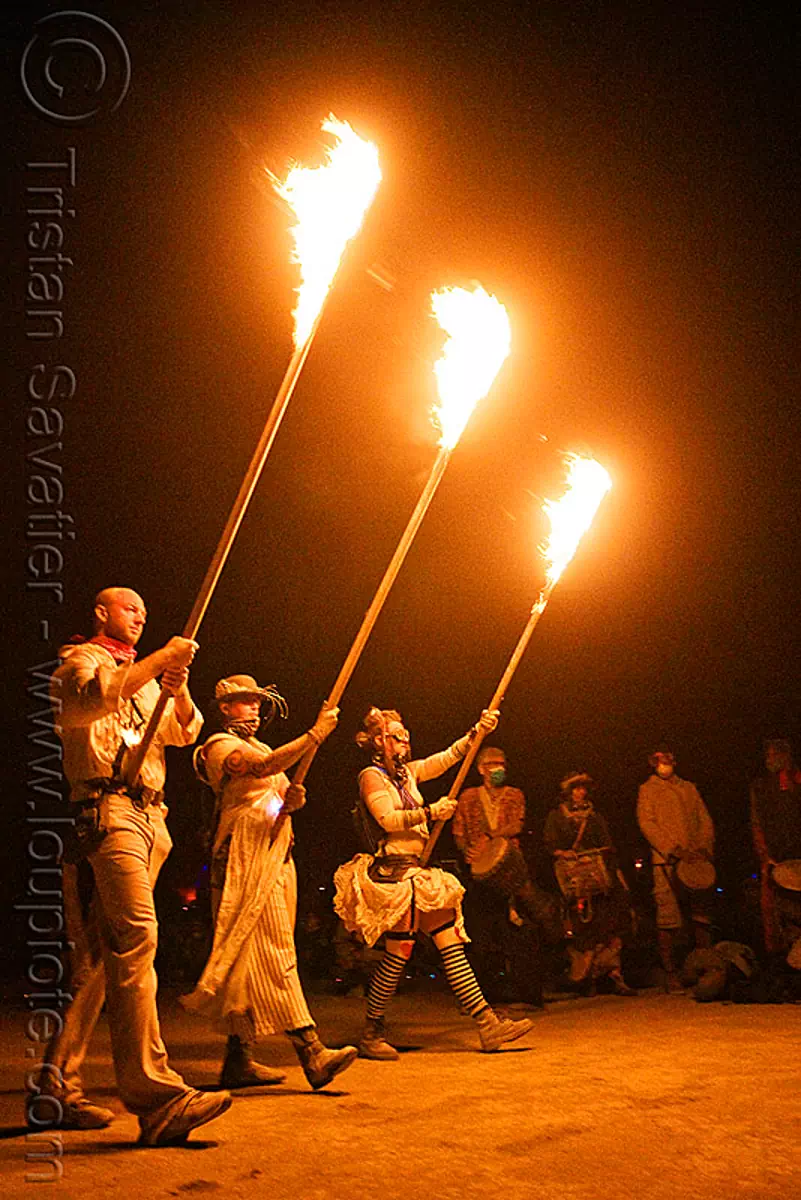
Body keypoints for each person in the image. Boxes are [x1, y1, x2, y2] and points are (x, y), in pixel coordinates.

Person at [31, 588, 232, 1145]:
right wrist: (161, 659)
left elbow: (183, 731)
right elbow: (90, 702)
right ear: (102, 613)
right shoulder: (80, 660)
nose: (140, 615)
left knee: (101, 957)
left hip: (150, 816)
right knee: (138, 937)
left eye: (145, 609)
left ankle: (54, 1087)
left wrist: (176, 685)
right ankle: (157, 1098)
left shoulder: (141, 677)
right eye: (129, 608)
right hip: (107, 807)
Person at [181, 675, 357, 1091]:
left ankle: (238, 1059)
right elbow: (261, 769)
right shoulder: (218, 746)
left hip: (274, 853)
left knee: (248, 956)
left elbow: (273, 785)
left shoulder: (262, 747)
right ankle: (311, 1051)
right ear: (225, 708)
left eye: (257, 701)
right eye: (246, 701)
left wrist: (292, 801)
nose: (255, 707)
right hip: (245, 857)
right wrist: (314, 735)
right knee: (274, 947)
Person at [334, 707, 534, 1060]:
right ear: (380, 741)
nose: (405, 739)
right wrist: (431, 812)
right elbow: (387, 819)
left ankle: (487, 1023)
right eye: (397, 735)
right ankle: (371, 1031)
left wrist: (476, 733)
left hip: (417, 873)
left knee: (450, 942)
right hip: (394, 874)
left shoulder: (409, 773)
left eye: (405, 733)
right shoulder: (371, 777)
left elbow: (447, 758)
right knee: (398, 953)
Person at [453, 745, 549, 1007]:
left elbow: (517, 824)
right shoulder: (468, 797)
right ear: (481, 769)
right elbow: (459, 831)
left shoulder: (514, 795)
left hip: (510, 869)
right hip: (479, 873)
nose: (499, 768)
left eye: (502, 764)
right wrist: (468, 851)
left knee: (520, 931)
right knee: (480, 935)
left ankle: (528, 994)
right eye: (493, 764)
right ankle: (482, 997)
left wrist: (491, 837)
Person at [544, 772, 636, 996]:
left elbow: (607, 845)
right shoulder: (557, 817)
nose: (581, 792)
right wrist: (563, 853)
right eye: (576, 788)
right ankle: (585, 979)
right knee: (582, 930)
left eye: (583, 788)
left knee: (610, 925)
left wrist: (603, 862)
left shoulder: (595, 817)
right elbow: (550, 844)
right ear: (568, 792)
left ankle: (613, 975)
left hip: (599, 880)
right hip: (573, 882)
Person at [637, 746, 715, 992]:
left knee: (701, 916)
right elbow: (647, 823)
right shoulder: (647, 790)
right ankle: (670, 972)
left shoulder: (688, 788)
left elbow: (704, 820)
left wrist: (703, 848)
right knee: (668, 917)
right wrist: (672, 850)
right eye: (659, 761)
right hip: (666, 862)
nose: (664, 765)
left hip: (695, 861)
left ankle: (707, 967)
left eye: (667, 760)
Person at [749, 739, 801, 970]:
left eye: (774, 755)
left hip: (798, 854)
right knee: (778, 911)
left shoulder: (798, 780)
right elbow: (757, 822)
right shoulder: (760, 786)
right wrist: (765, 855)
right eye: (768, 756)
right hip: (775, 859)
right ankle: (783, 962)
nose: (770, 760)